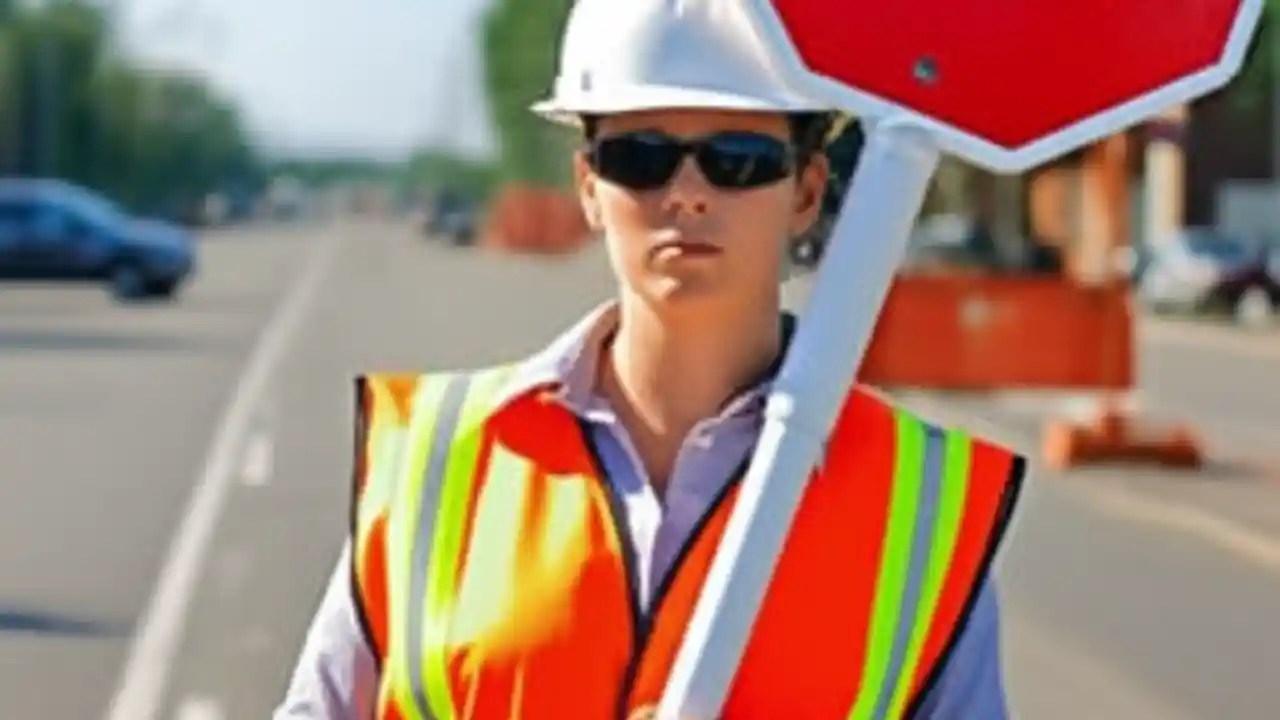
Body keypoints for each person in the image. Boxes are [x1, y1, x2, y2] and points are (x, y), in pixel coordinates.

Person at [276, 0, 1025, 717]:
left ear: (807, 190)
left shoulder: (921, 506)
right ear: (589, 187)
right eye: (641, 157)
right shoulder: (437, 460)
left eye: (738, 159)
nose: (688, 193)